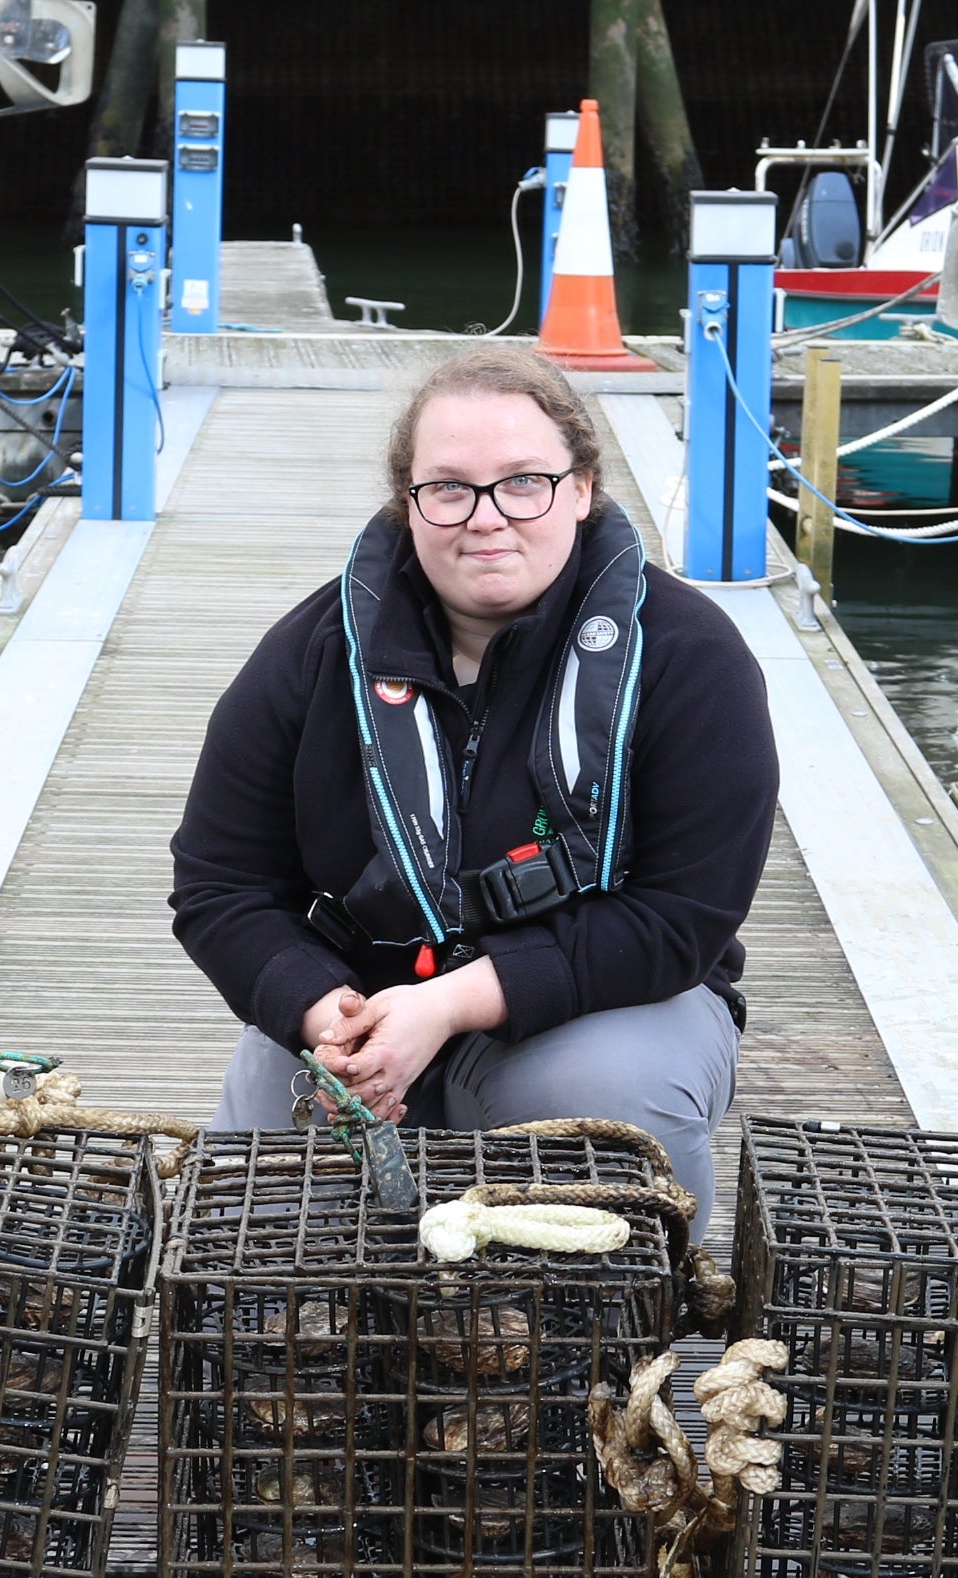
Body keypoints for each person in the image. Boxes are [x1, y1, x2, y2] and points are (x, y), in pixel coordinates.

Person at [169, 347, 776, 1215]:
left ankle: (607, 1333)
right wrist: (319, 1013)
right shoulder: (310, 654)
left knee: (602, 1095)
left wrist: (452, 1004)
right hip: (364, 1000)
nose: (486, 517)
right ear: (407, 503)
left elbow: (684, 914)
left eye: (524, 481)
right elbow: (220, 885)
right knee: (251, 1219)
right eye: (449, 488)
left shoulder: (691, 656)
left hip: (599, 1013)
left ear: (581, 488)